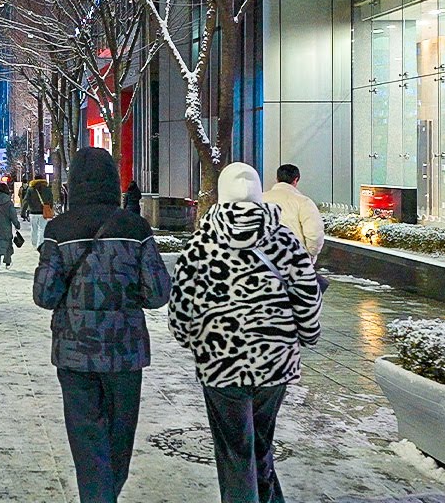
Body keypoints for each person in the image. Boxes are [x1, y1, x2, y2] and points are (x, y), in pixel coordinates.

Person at [168, 162, 322, 503]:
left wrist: (190, 338)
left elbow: (180, 307)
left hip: (220, 364)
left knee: (234, 449)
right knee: (260, 443)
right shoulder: (284, 241)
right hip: (274, 363)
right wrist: (309, 334)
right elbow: (307, 296)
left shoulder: (200, 245)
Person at [33, 147, 171, 503]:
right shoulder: (135, 228)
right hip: (125, 353)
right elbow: (158, 293)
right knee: (119, 438)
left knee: (86, 440)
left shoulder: (59, 229)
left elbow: (45, 294)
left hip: (75, 353)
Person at [261, 163, 325, 263]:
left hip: (263, 259)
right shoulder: (304, 202)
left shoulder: (260, 198)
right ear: (296, 180)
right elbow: (314, 234)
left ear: (277, 179)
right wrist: (310, 254)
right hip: (294, 260)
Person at [20, 175, 52, 250]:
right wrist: (49, 208)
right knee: (42, 229)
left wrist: (23, 212)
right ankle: (39, 244)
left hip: (33, 212)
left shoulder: (30, 189)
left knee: (34, 229)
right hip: (43, 212)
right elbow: (51, 199)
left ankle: (34, 243)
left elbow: (26, 201)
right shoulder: (47, 189)